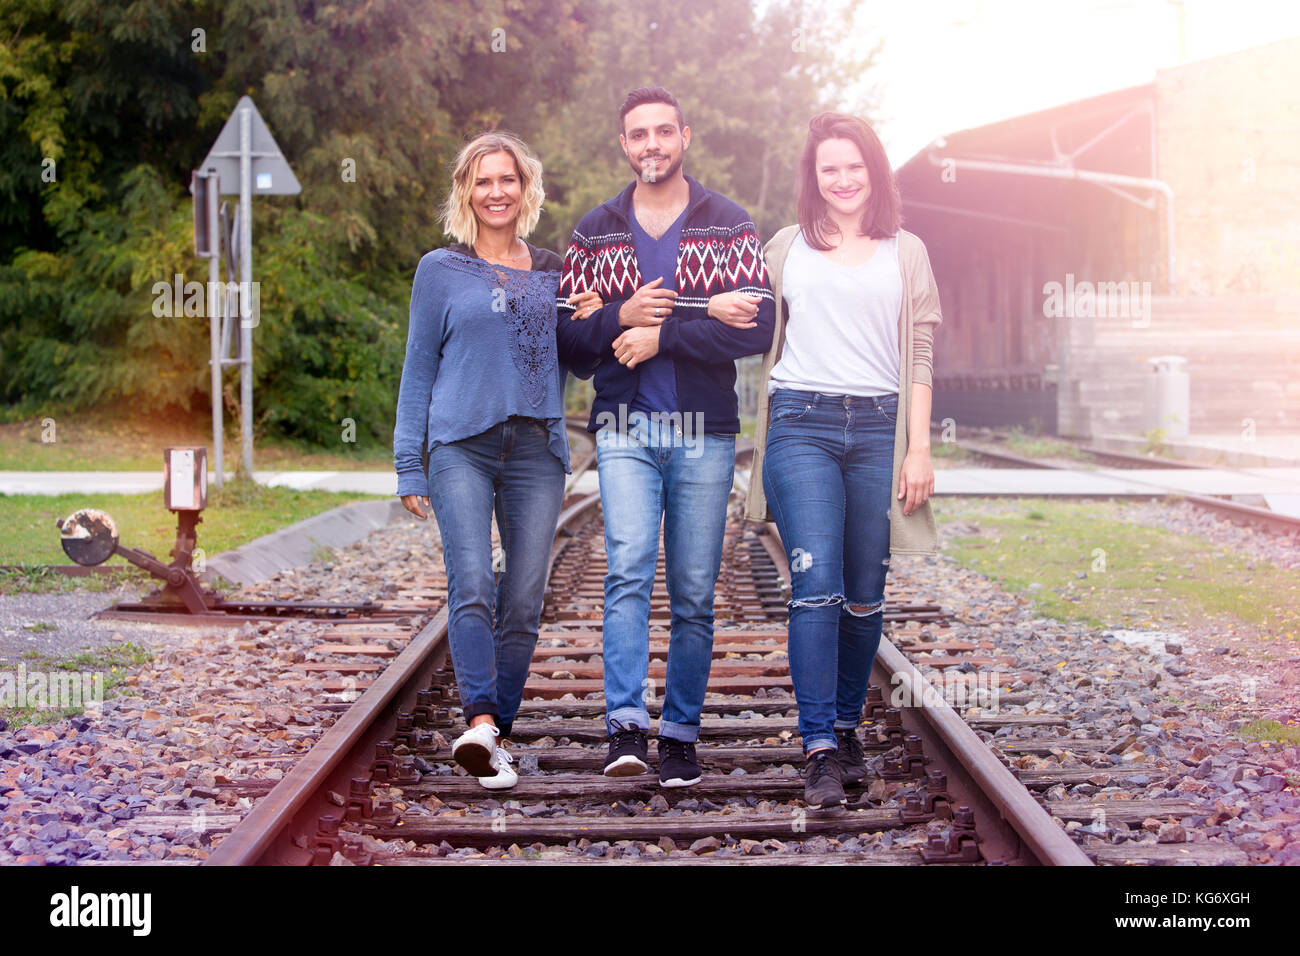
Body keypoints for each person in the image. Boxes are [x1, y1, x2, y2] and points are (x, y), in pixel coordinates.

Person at [554, 86, 775, 788]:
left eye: (662, 132)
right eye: (636, 135)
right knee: (626, 571)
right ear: (624, 145)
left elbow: (762, 325)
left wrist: (661, 332)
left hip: (704, 434)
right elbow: (569, 338)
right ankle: (625, 726)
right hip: (623, 428)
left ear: (685, 136)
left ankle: (679, 730)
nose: (650, 144)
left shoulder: (729, 224)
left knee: (693, 589)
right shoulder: (595, 231)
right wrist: (621, 315)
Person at [738, 112, 942, 809]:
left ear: (873, 171)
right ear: (814, 176)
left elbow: (919, 355)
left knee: (863, 592)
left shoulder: (906, 251)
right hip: (801, 423)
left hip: (882, 430)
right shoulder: (785, 247)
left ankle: (848, 727)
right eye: (830, 168)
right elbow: (752, 326)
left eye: (855, 166)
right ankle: (819, 745)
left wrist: (919, 446)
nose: (844, 179)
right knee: (816, 582)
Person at [393, 131, 603, 790]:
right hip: (460, 444)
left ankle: (493, 736)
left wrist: (594, 319)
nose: (496, 192)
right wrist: (409, 459)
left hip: (537, 449)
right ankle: (481, 718)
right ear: (467, 191)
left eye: (506, 179)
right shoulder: (439, 270)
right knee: (474, 583)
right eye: (483, 182)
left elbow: (584, 361)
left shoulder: (554, 271)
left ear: (525, 188)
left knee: (524, 595)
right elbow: (418, 365)